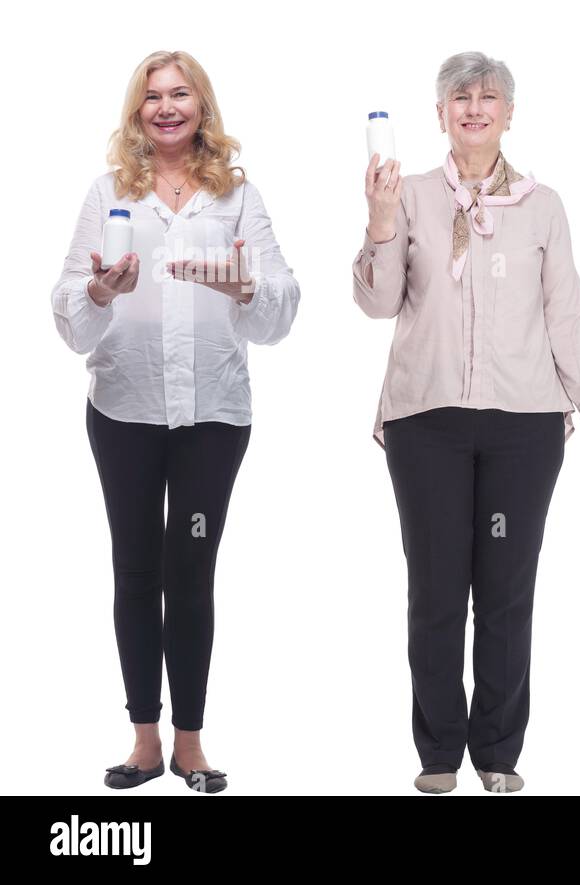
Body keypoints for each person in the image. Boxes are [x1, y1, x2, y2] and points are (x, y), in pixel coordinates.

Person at [354, 51, 580, 794]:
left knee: (505, 589)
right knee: (437, 587)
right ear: (440, 113)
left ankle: (499, 752)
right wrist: (379, 224)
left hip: (524, 423)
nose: (474, 108)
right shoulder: (404, 195)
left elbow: (564, 310)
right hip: (426, 418)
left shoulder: (543, 206)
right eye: (459, 98)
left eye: (489, 97)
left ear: (509, 113)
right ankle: (439, 751)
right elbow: (379, 305)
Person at [52, 50, 299, 793]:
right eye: (152, 96)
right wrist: (97, 290)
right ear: (137, 111)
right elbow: (68, 314)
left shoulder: (238, 198)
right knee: (136, 570)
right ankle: (143, 739)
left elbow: (282, 308)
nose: (166, 107)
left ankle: (190, 741)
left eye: (179, 94)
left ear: (202, 106)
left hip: (212, 419)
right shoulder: (107, 193)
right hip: (124, 412)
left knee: (189, 573)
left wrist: (247, 284)